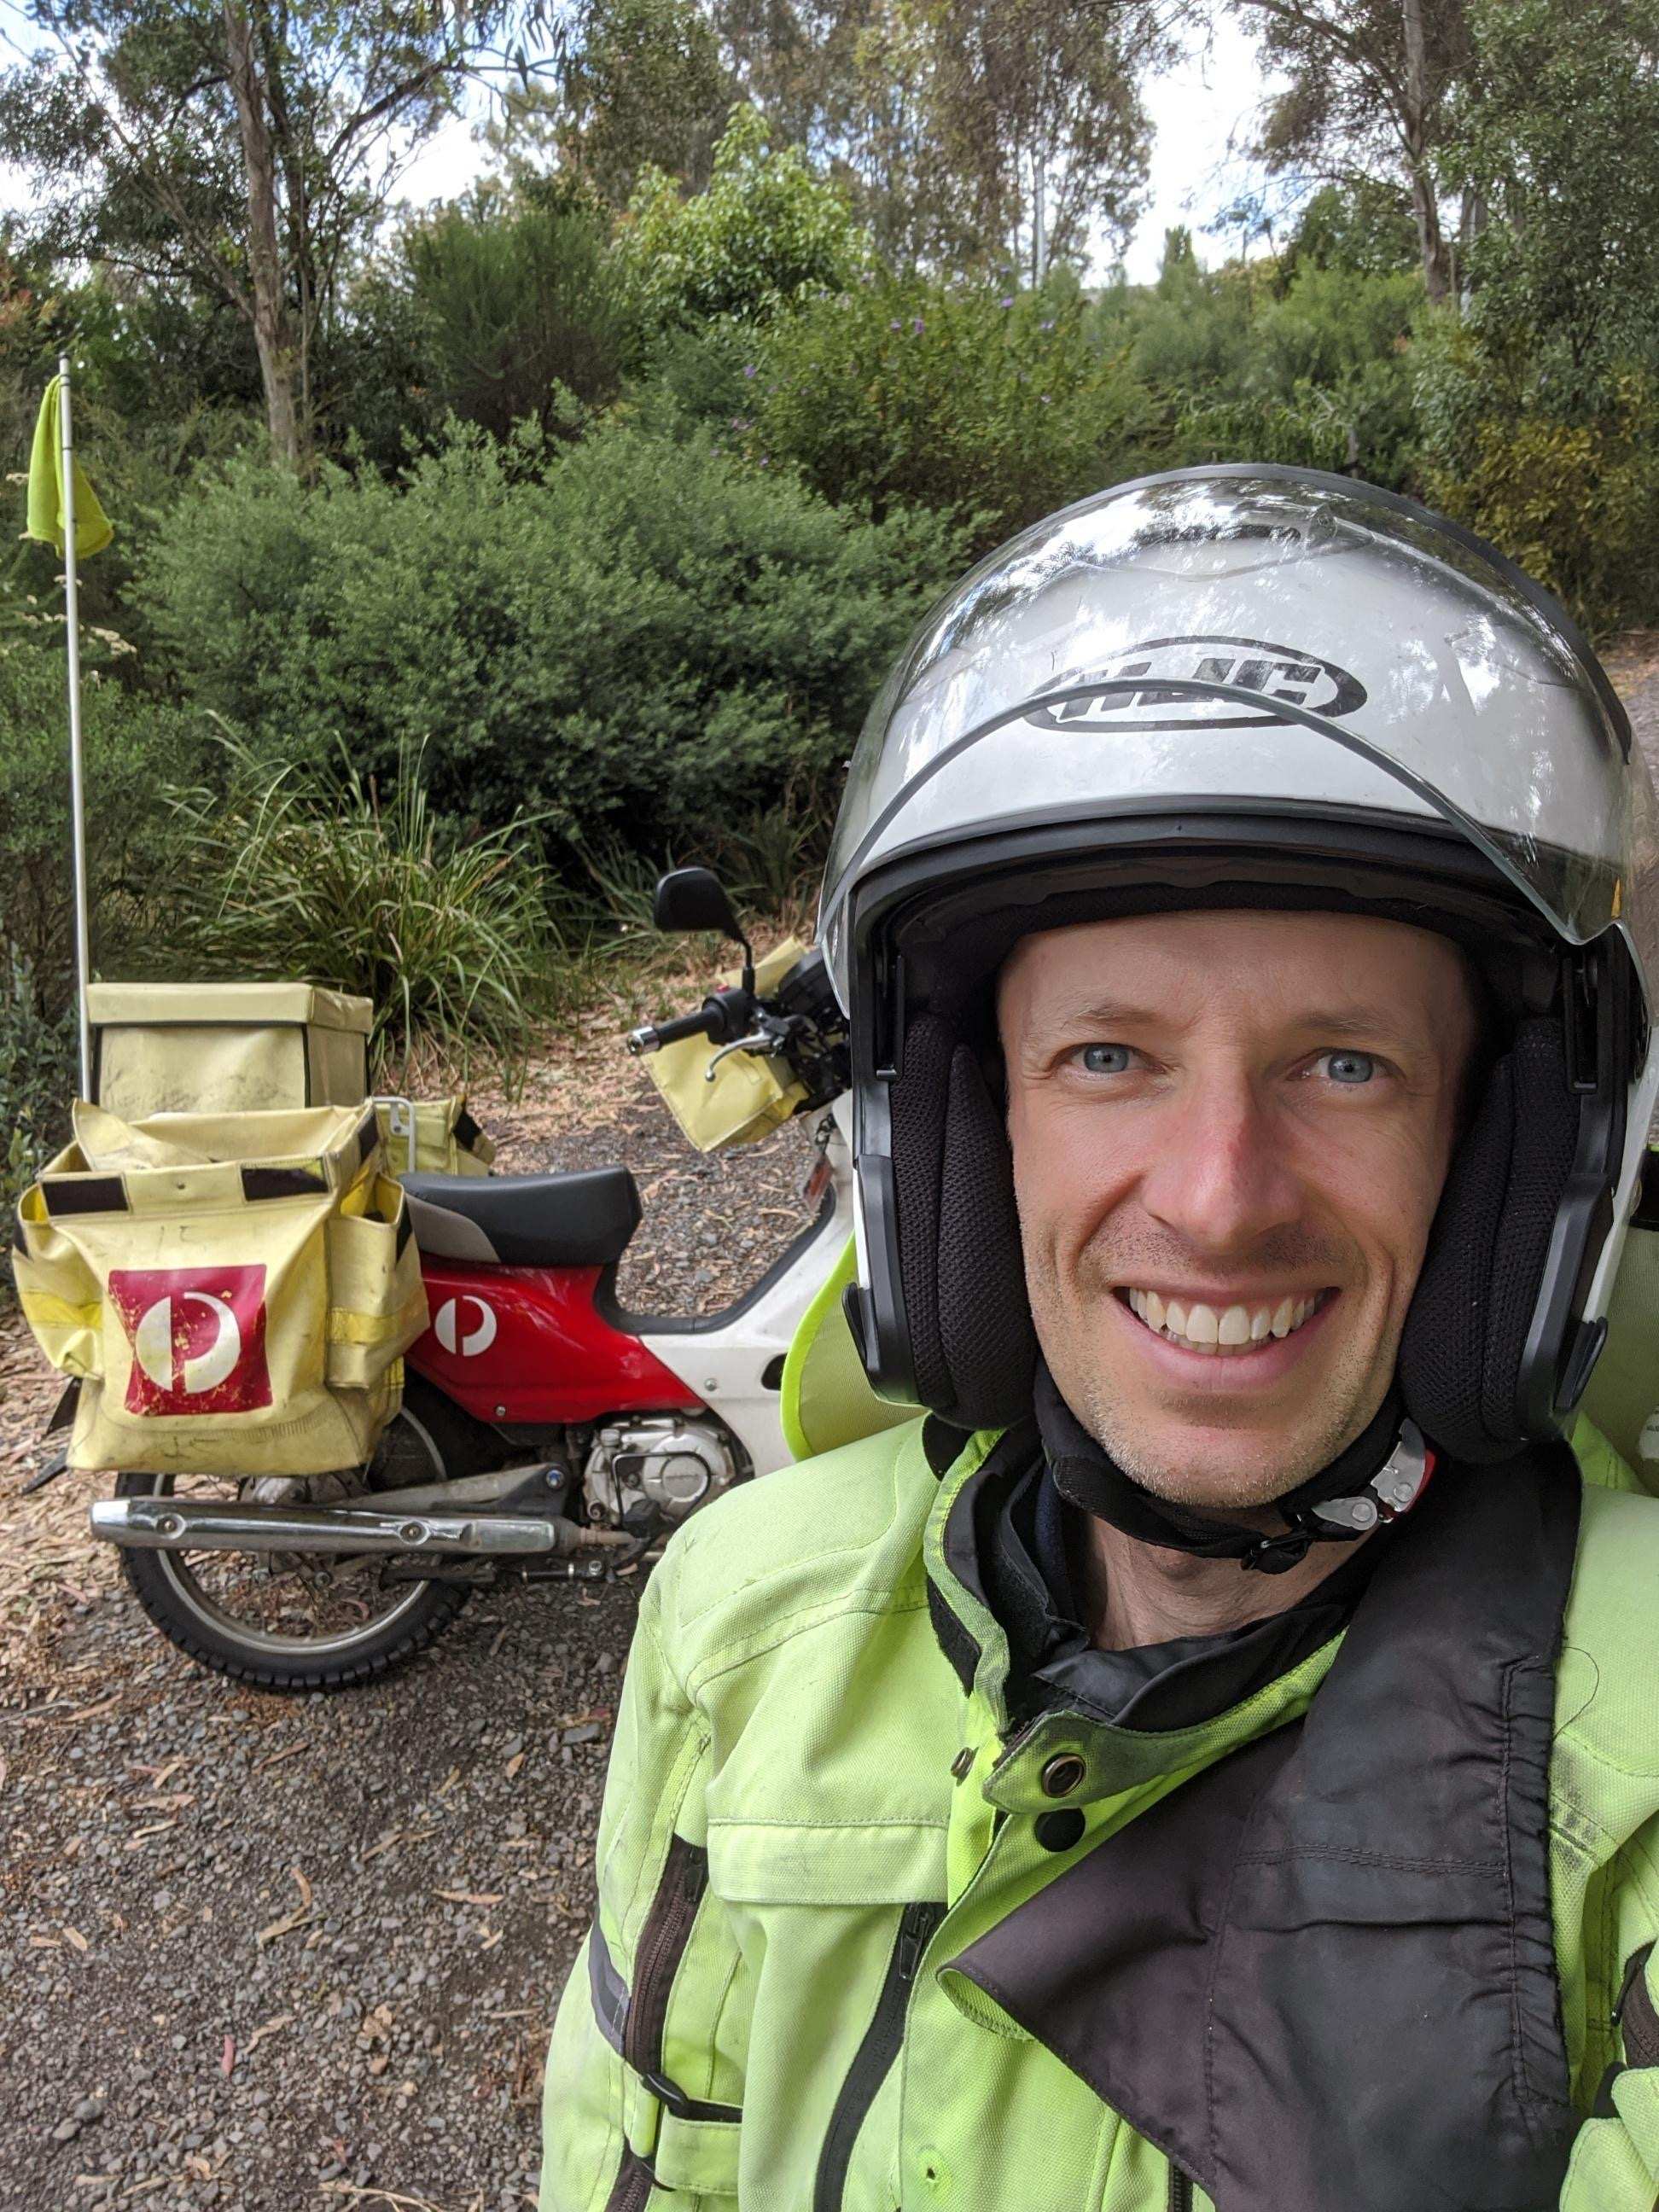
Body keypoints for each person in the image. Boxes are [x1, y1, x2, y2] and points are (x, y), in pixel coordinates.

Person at [538, 466, 1659, 2212]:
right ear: (968, 1146)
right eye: (1109, 1057)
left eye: (1345, 1063)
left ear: (1499, 1154)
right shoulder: (741, 1623)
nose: (1219, 1202)